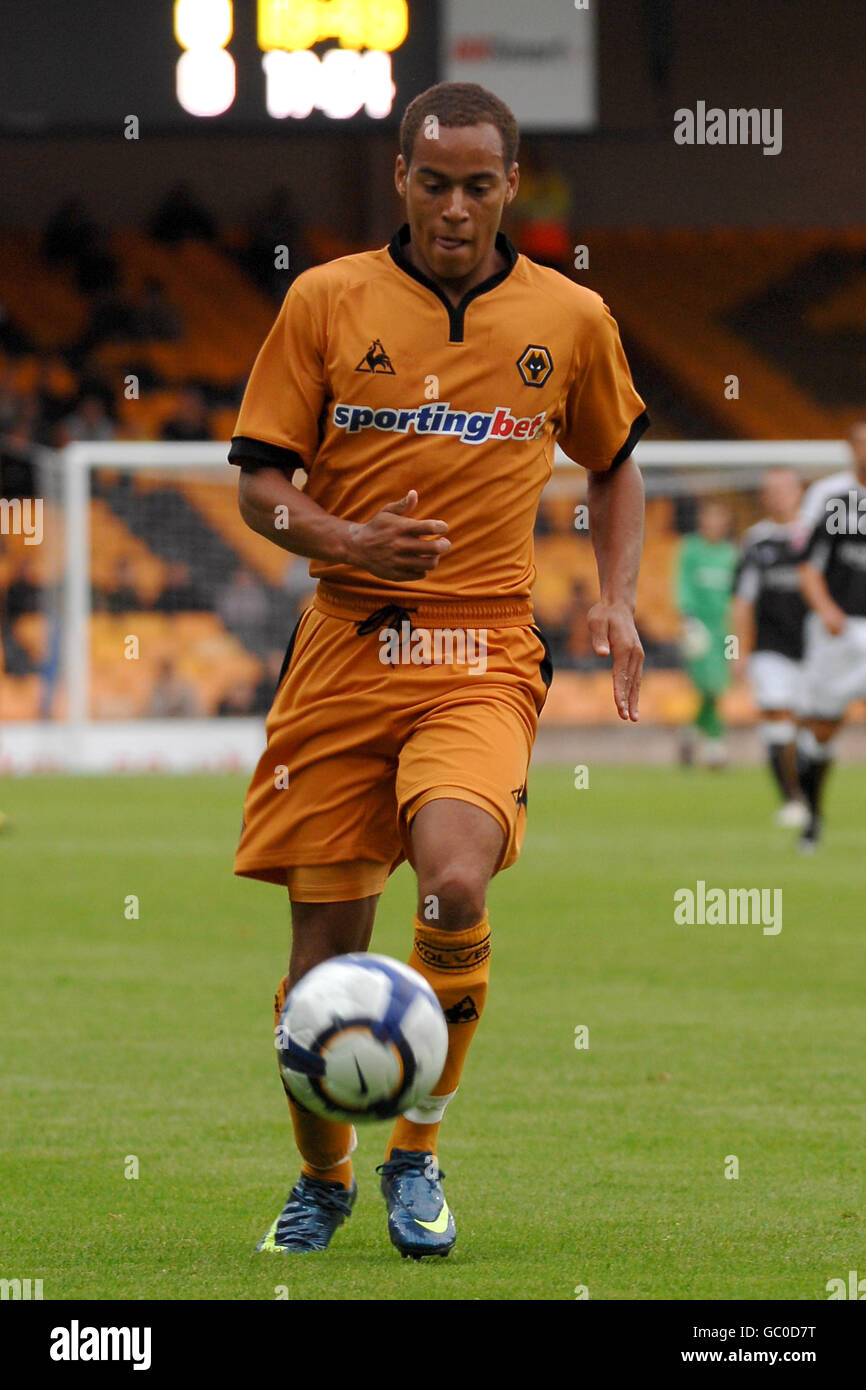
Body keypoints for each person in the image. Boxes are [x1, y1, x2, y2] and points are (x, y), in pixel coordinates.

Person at [228, 81, 649, 1259]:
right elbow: (260, 483)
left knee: (454, 885)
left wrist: (614, 598)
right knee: (323, 956)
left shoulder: (568, 318)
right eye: (432, 181)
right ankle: (324, 1176)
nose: (454, 207)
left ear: (510, 185)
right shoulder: (324, 301)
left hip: (479, 645)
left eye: (477, 184)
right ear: (399, 178)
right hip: (346, 640)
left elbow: (614, 463)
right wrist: (348, 538)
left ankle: (416, 1149)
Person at [794, 419, 866, 851]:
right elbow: (807, 562)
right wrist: (825, 609)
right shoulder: (830, 498)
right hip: (838, 628)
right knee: (823, 727)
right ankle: (812, 817)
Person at [731, 469, 808, 826]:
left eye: (784, 490)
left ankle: (808, 790)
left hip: (816, 647)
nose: (777, 496)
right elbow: (742, 601)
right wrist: (738, 651)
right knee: (777, 714)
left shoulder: (816, 535)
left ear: (799, 493)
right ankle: (791, 799)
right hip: (770, 647)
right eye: (770, 490)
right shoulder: (755, 542)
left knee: (810, 725)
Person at [675, 500, 737, 768]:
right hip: (699, 626)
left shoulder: (731, 554)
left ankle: (690, 733)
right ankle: (715, 745)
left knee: (718, 686)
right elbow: (682, 585)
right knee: (708, 685)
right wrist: (688, 620)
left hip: (726, 629)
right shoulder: (690, 549)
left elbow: (738, 595)